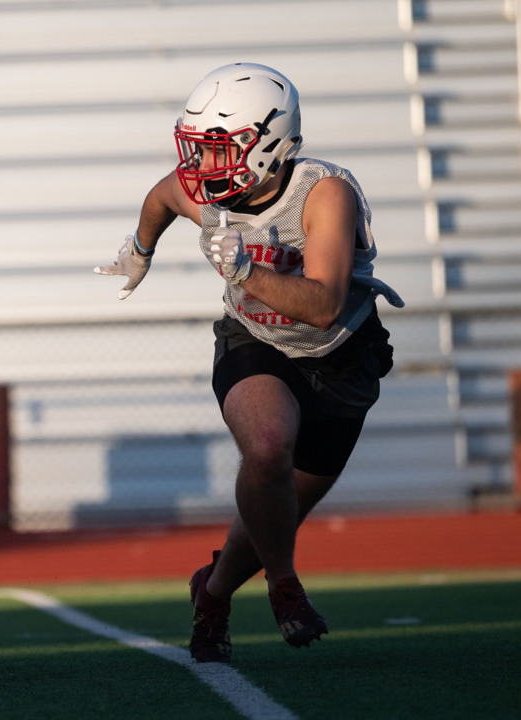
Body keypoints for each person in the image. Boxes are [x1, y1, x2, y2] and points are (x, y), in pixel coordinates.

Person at [95, 62, 402, 663]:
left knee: (272, 512)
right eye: (196, 149)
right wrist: (139, 250)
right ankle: (285, 589)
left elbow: (323, 306)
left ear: (267, 142)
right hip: (253, 341)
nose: (199, 167)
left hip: (341, 358)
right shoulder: (205, 189)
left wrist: (245, 270)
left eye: (216, 150)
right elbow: (162, 195)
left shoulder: (324, 193)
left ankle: (211, 593)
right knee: (265, 447)